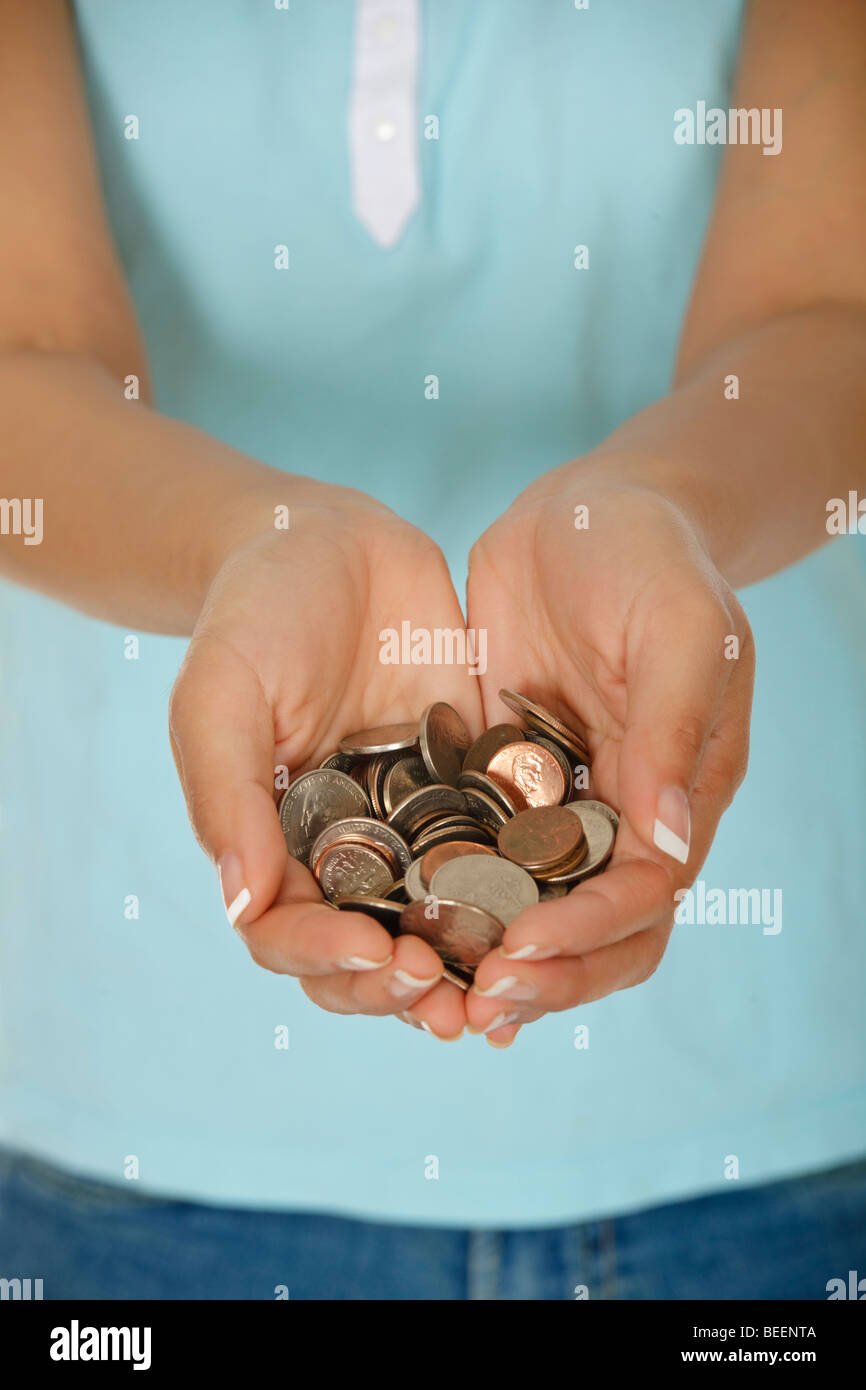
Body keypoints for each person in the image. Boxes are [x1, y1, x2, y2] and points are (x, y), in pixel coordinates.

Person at [0, 0, 864, 1301]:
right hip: (143, 1120)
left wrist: (662, 507)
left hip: (771, 1102)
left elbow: (829, 310)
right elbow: (21, 354)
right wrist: (247, 544)